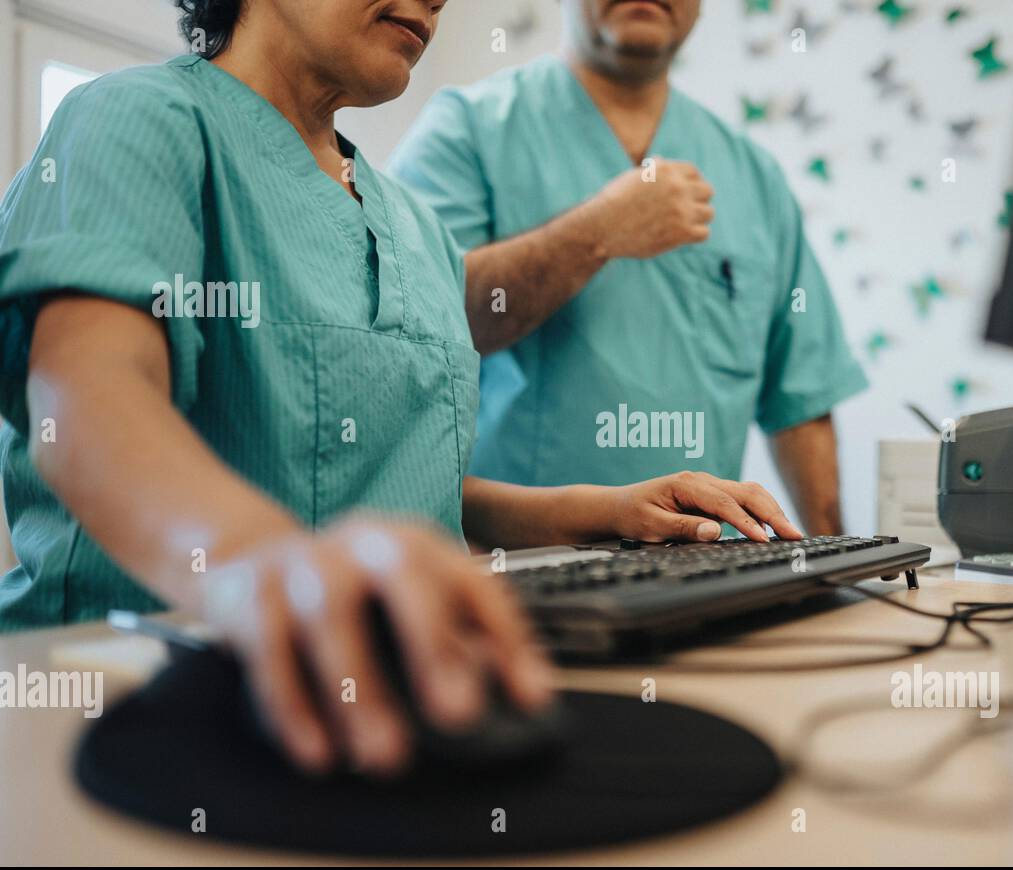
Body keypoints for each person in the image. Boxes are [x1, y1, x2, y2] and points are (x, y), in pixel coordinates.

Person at [0, 0, 801, 775]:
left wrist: (600, 510)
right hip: (120, 704)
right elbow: (87, 406)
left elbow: (404, 483)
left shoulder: (417, 225)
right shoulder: (135, 121)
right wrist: (262, 568)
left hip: (388, 700)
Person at [388, 0, 867, 536]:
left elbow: (800, 399)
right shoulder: (465, 132)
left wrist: (838, 566)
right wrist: (595, 234)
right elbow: (415, 332)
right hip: (509, 567)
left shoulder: (754, 177)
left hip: (708, 567)